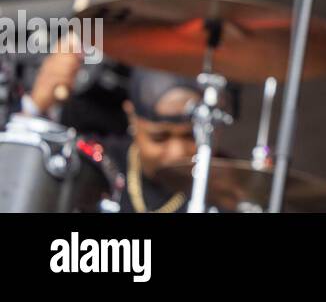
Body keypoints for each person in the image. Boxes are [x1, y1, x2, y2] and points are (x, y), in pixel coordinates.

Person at [24, 44, 206, 213]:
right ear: (132, 117)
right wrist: (36, 106)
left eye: (191, 136)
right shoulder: (101, 163)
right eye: (159, 137)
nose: (177, 152)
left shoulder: (224, 182)